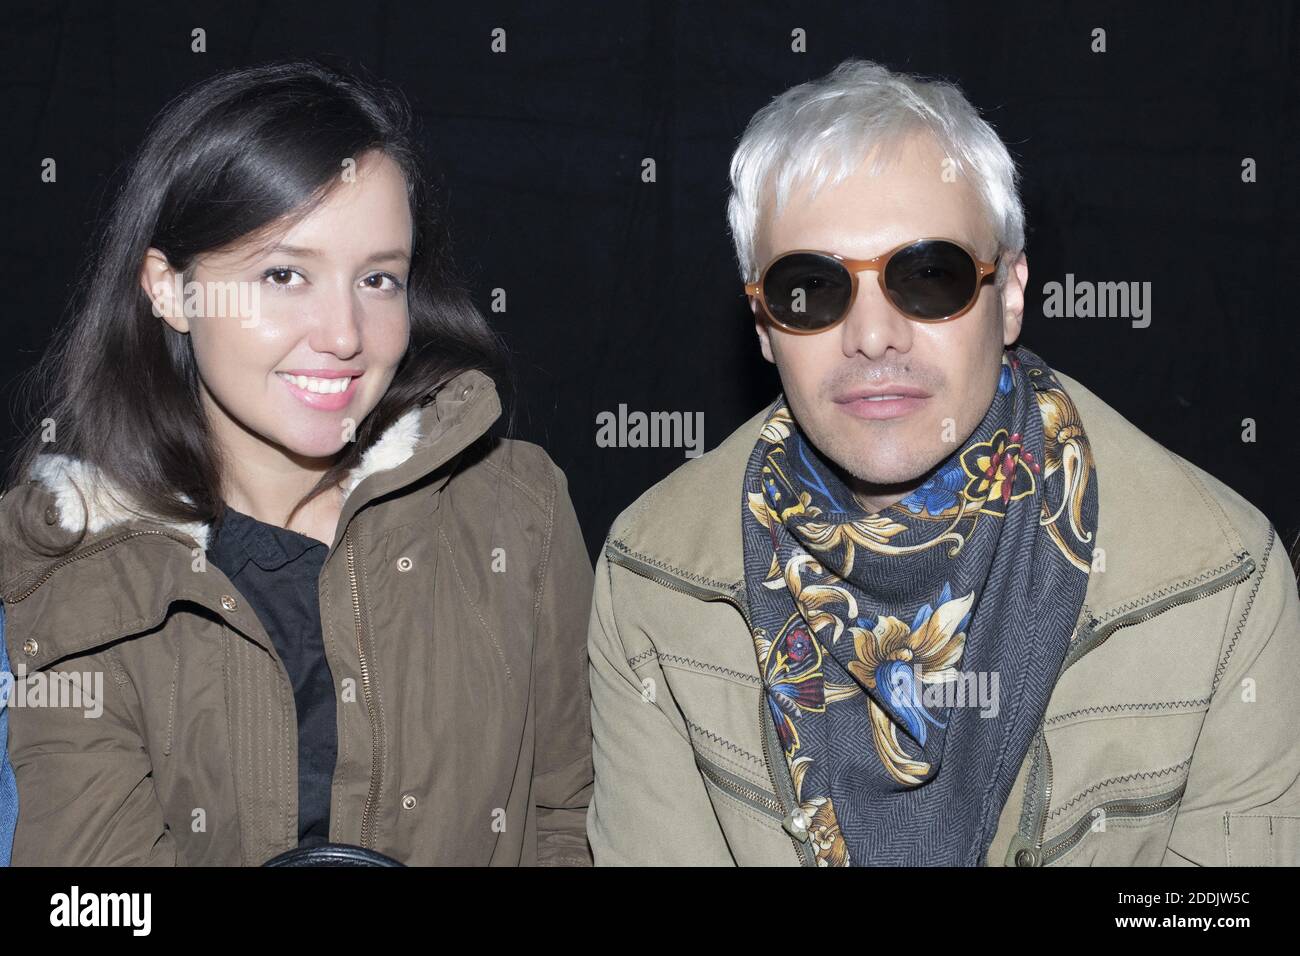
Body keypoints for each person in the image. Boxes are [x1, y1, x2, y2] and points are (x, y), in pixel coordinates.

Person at [586, 59, 1300, 866]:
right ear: (762, 325)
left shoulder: (1219, 583)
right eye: (812, 288)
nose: (873, 335)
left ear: (1011, 294)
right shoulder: (652, 578)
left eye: (929, 277)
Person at [0, 60, 593, 866]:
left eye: (379, 279)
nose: (344, 333)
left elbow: (572, 818)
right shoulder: (79, 567)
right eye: (284, 274)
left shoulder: (516, 510)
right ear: (170, 291)